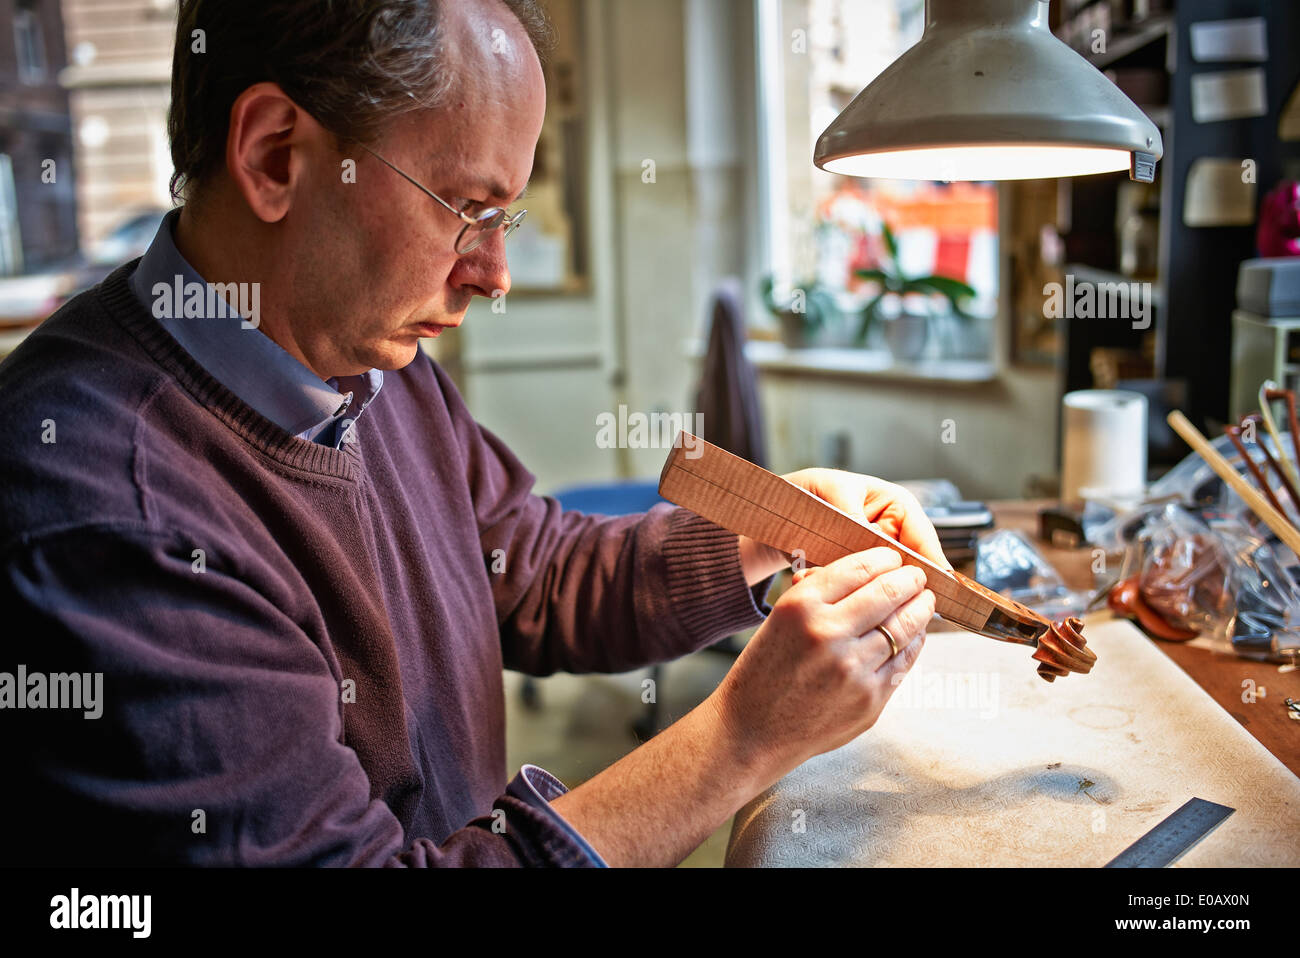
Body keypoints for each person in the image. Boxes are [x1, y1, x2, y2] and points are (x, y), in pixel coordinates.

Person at [0, 0, 942, 867]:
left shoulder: (364, 358)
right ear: (276, 154)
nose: (494, 276)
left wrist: (769, 533)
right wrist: (741, 737)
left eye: (508, 215)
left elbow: (527, 572)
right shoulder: (106, 511)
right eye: (465, 208)